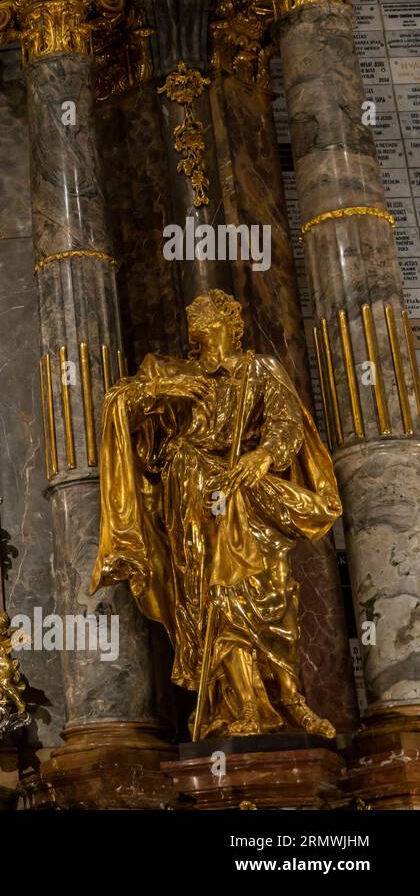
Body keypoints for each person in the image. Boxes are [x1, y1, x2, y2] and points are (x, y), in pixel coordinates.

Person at [91, 290, 339, 739]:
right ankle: (245, 705)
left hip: (244, 489)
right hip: (189, 497)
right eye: (191, 310)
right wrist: (162, 388)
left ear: (231, 321)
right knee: (212, 599)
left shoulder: (259, 369)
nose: (193, 313)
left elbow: (288, 423)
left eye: (205, 309)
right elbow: (116, 405)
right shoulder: (171, 371)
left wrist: (261, 457)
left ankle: (289, 697)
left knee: (272, 589)